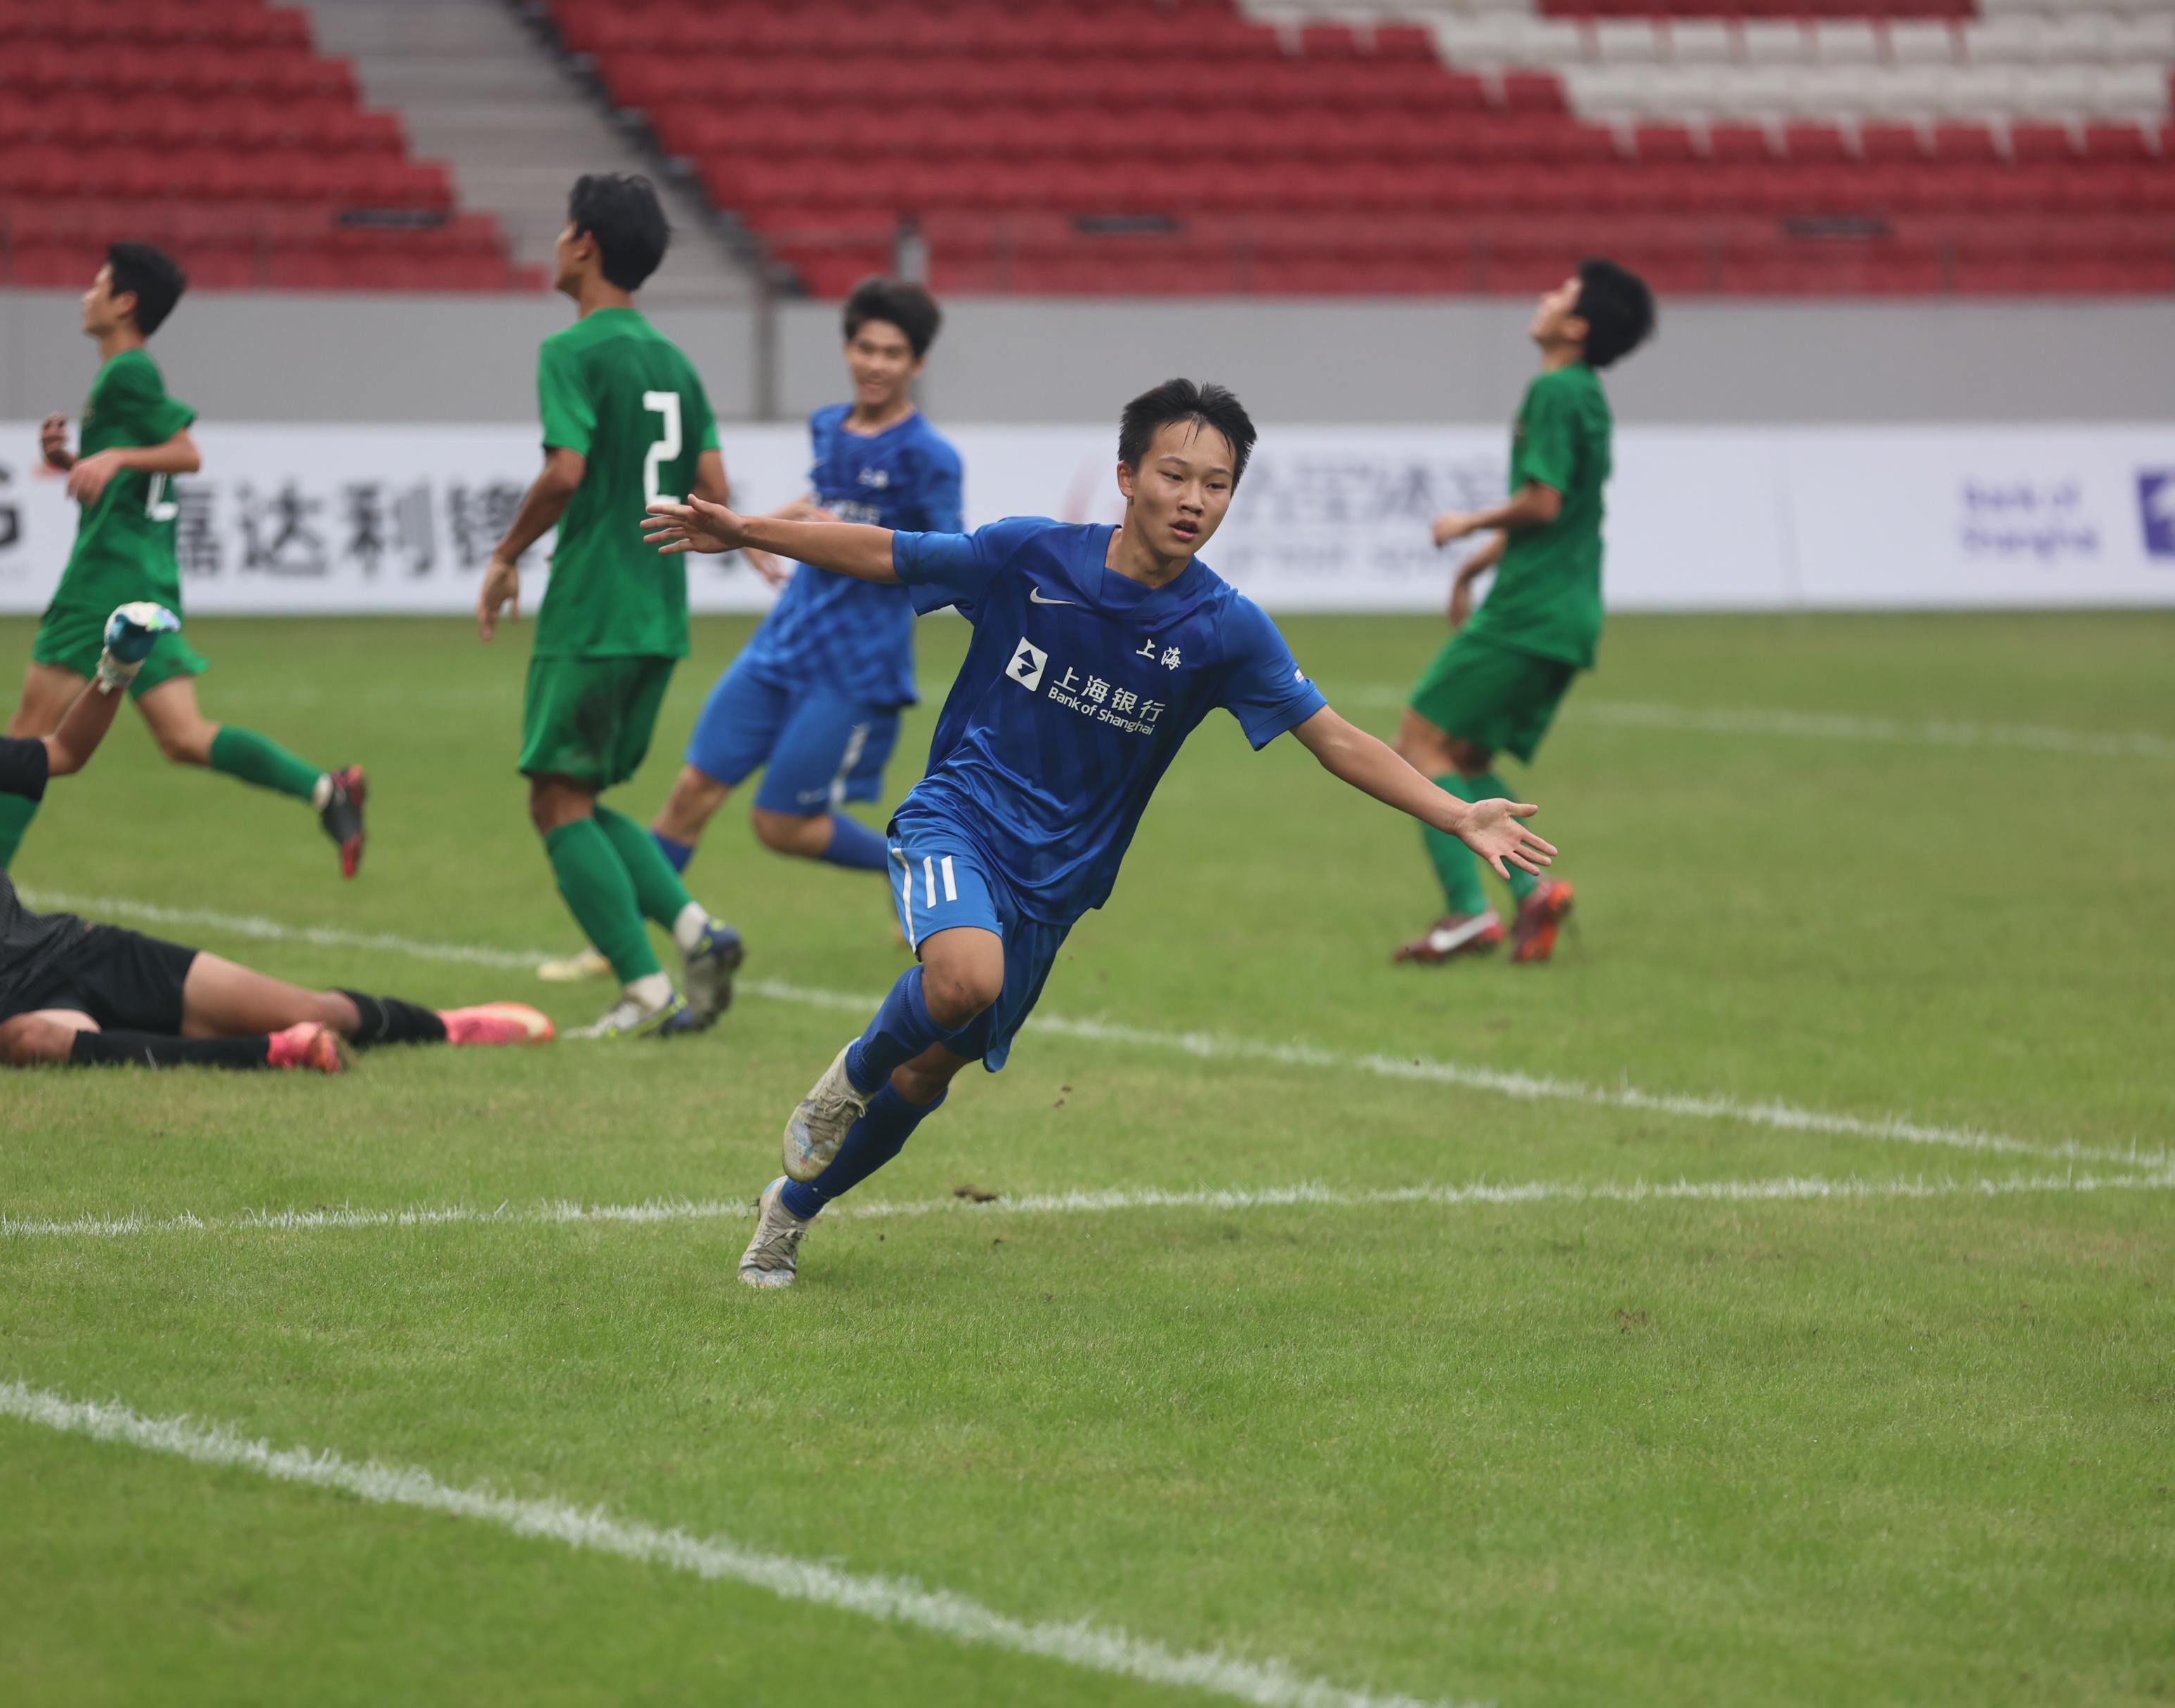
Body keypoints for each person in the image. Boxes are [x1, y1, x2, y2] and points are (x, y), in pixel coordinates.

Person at [640, 381, 1558, 1287]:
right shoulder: (1030, 555)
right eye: (1175, 475)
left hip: (1058, 883)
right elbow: (890, 551)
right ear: (1127, 475)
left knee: (927, 1079)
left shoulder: (1224, 627)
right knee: (962, 979)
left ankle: (792, 1210)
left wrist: (1455, 811)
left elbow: (1335, 737)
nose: (1194, 500)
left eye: (1217, 484)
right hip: (959, 815)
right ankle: (849, 1077)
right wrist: (748, 529)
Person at [0, 617, 549, 1073]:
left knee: (313, 1005)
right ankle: (275, 1054)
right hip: (1, 1009)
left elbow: (64, 753)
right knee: (30, 1042)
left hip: (77, 949)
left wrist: (116, 669)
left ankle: (447, 1024)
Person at [541, 277, 962, 985]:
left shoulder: (930, 455)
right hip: (779, 647)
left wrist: (850, 539)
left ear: (917, 363)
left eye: (893, 353)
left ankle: (905, 865)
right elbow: (827, 500)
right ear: (847, 349)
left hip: (854, 666)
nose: (876, 363)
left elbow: (948, 558)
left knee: (780, 825)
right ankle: (622, 943)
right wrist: (764, 526)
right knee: (690, 792)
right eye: (865, 347)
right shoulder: (829, 424)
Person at [0, 242, 367, 880]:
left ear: (125, 303)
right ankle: (326, 789)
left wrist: (112, 457)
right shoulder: (123, 376)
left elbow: (186, 453)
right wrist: (74, 461)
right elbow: (135, 477)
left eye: (98, 285)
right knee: (182, 736)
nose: (86, 296)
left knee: (29, 733)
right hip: (148, 578)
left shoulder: (127, 373)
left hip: (104, 581)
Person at [477, 173, 744, 1039]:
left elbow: (566, 471)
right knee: (580, 795)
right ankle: (697, 930)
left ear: (584, 244)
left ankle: (644, 990)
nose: (557, 245)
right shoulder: (675, 363)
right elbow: (714, 486)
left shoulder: (573, 350)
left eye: (564, 231)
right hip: (660, 614)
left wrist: (506, 555)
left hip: (592, 608)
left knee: (554, 801)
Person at [1393, 259, 1655, 966]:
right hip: (1568, 612)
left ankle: (1467, 912)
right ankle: (1535, 893)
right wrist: (1473, 568)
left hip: (1530, 610)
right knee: (1466, 756)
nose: (1546, 297)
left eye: (1562, 293)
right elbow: (1558, 511)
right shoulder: (1587, 395)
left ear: (1578, 326)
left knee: (1418, 742)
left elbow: (1541, 502)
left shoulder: (1554, 390)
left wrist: (1466, 524)